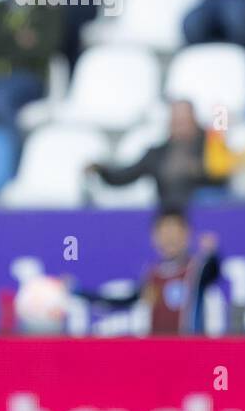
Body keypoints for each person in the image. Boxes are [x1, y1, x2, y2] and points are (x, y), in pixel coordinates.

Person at [75, 211, 223, 336]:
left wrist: (212, 254)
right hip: (157, 355)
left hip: (190, 354)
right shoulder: (152, 276)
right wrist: (77, 292)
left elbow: (213, 269)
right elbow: (120, 300)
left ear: (187, 235)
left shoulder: (197, 271)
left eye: (176, 234)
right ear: (154, 237)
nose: (170, 239)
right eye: (165, 234)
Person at [87, 99, 226, 211]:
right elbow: (124, 176)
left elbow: (224, 177)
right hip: (168, 219)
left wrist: (200, 171)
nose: (180, 127)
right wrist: (101, 170)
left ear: (194, 121)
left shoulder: (212, 148)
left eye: (184, 121)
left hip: (208, 215)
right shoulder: (157, 154)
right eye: (176, 122)